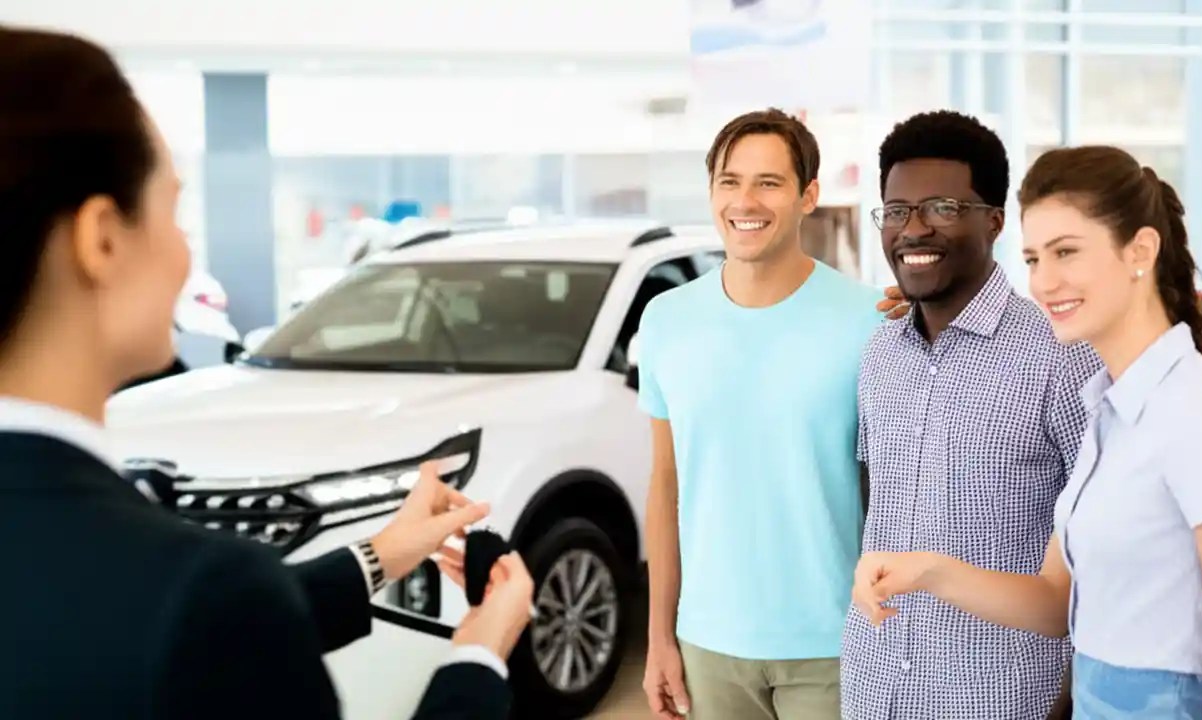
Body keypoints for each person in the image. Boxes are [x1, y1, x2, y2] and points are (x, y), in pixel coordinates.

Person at [0, 25, 533, 720]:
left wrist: (381, 554)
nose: (186, 251)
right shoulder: (203, 590)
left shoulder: (175, 588)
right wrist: (479, 657)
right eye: (173, 209)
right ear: (100, 238)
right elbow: (201, 622)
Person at [852, 144, 1202, 719]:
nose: (1045, 282)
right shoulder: (1108, 411)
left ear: (1141, 251)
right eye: (1032, 260)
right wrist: (927, 570)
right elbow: (1057, 601)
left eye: (1066, 253)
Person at [840, 110, 1101, 720]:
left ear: (995, 221)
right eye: (898, 211)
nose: (914, 229)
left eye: (942, 209)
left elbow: (1104, 554)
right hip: (875, 687)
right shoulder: (881, 351)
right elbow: (878, 503)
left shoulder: (1060, 356)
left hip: (1002, 699)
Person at [637, 107, 883, 719]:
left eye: (768, 182)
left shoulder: (870, 320)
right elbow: (665, 486)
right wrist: (658, 637)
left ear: (808, 196)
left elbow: (893, 489)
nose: (745, 200)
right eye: (729, 181)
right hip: (707, 645)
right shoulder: (666, 320)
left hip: (834, 644)